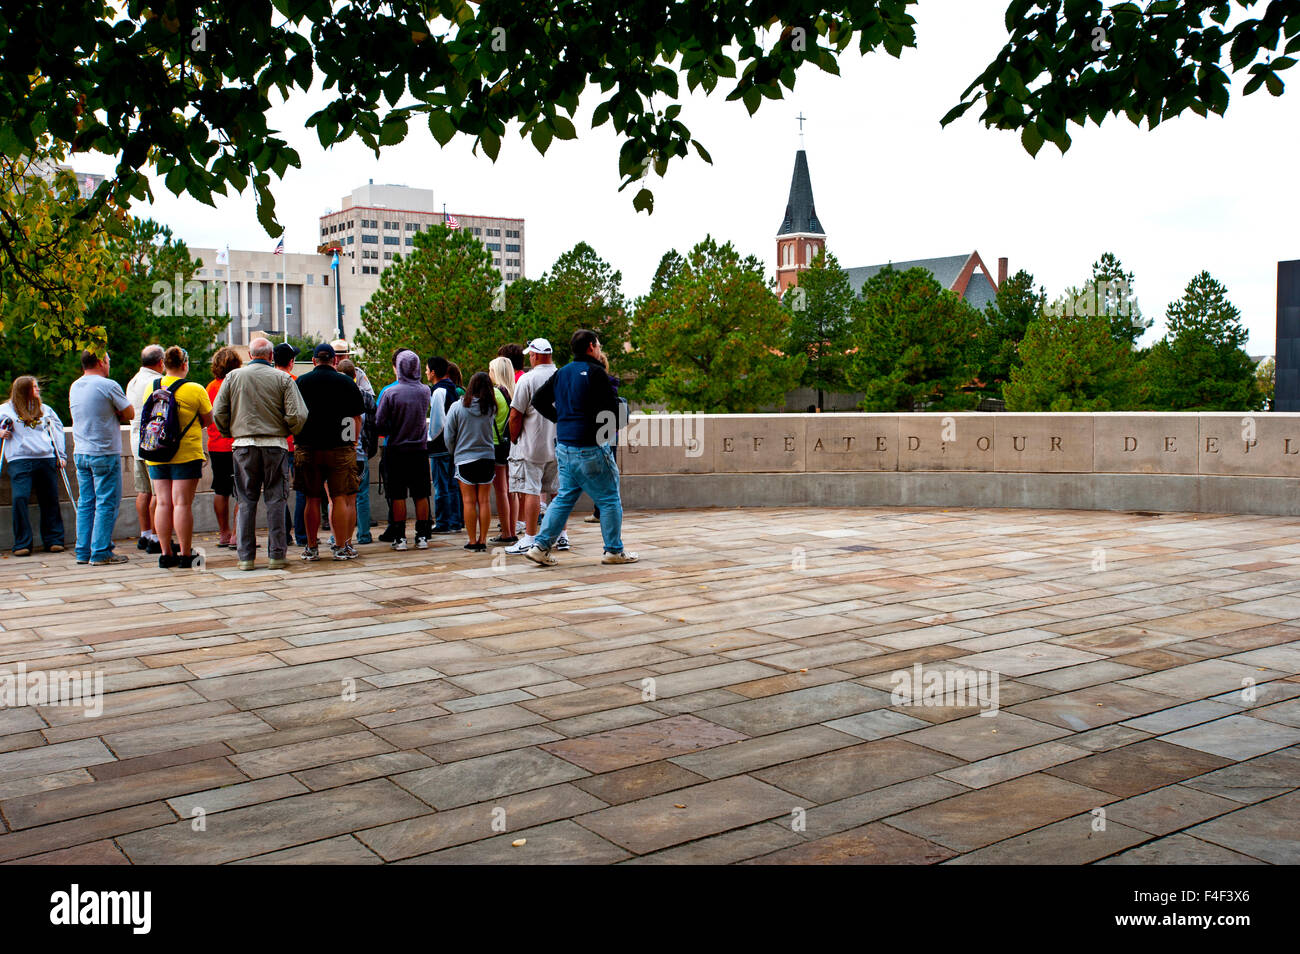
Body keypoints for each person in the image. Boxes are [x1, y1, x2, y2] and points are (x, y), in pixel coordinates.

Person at [526, 329, 638, 567]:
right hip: (591, 446)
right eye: (598, 345)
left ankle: (540, 546)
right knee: (609, 498)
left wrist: (561, 419)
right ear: (590, 347)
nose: (599, 350)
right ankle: (614, 551)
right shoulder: (597, 373)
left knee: (564, 497)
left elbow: (538, 400)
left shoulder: (562, 372)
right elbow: (612, 413)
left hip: (565, 446)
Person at [213, 336, 307, 571]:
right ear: (271, 356)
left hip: (243, 445)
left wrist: (230, 432)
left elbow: (218, 412)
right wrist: (286, 429)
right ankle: (276, 555)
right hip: (275, 445)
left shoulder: (233, 377)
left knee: (245, 501)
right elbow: (299, 415)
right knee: (276, 499)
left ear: (250, 355)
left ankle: (246, 557)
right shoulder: (283, 378)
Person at [141, 346, 213, 569]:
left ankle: (165, 554)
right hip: (185, 453)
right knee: (181, 504)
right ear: (185, 364)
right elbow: (208, 419)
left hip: (156, 452)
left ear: (163, 364)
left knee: (162, 502)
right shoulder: (195, 389)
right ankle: (184, 554)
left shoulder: (151, 387)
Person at [293, 342, 363, 561]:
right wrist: (352, 441)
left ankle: (311, 547)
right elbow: (356, 417)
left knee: (311, 498)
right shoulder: (346, 382)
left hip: (309, 446)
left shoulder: (301, 382)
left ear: (314, 361)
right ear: (334, 361)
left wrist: (298, 440)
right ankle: (341, 547)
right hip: (340, 446)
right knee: (340, 497)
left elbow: (293, 415)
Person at [68, 350, 133, 566]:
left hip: (81, 452)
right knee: (106, 503)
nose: (109, 364)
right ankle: (101, 551)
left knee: (86, 502)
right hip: (104, 452)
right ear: (100, 362)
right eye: (108, 360)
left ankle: (82, 551)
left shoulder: (75, 386)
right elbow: (130, 413)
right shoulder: (108, 385)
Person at [504, 339, 567, 555]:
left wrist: (514, 439)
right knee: (558, 492)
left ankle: (530, 537)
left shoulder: (528, 379)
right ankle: (562, 535)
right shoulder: (564, 376)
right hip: (560, 443)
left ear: (535, 356)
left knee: (531, 490)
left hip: (532, 445)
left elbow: (515, 414)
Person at [0, 376, 66, 557]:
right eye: (34, 387)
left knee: (50, 498)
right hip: (19, 459)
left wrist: (61, 454)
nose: (38, 390)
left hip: (45, 457)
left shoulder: (45, 409)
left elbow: (57, 430)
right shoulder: (5, 410)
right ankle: (22, 542)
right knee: (20, 498)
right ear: (23, 390)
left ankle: (54, 540)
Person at [376, 349, 432, 550]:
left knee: (397, 494)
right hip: (419, 448)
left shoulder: (391, 392)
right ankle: (422, 534)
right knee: (421, 493)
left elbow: (380, 424)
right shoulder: (425, 391)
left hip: (396, 449)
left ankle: (399, 536)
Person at [443, 372, 499, 552]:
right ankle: (483, 539)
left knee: (468, 501)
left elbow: (448, 435)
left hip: (465, 458)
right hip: (487, 458)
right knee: (484, 501)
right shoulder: (491, 408)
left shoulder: (457, 407)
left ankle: (472, 540)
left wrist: (454, 452)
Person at [125, 345, 164, 553]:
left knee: (143, 492)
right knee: (158, 493)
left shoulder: (133, 380)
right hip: (152, 443)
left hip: (135, 441)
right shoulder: (155, 382)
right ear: (160, 362)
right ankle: (157, 537)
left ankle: (145, 534)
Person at [274, 342, 309, 547]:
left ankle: (284, 533)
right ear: (291, 362)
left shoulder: (268, 381)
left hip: (277, 443)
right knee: (302, 490)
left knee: (278, 492)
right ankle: (302, 535)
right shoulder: (296, 382)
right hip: (297, 443)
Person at [206, 346, 242, 548]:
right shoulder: (238, 384)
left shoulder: (210, 387)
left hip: (216, 444)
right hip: (237, 443)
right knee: (241, 491)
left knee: (220, 489)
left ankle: (224, 533)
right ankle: (238, 534)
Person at [337, 358, 375, 546]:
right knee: (361, 496)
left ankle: (338, 536)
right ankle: (364, 534)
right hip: (360, 451)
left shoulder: (334, 395)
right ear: (355, 376)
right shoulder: (366, 396)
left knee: (338, 497)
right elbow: (372, 424)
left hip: (340, 452)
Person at [425, 355, 463, 535]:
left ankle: (443, 522)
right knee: (453, 484)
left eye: (426, 369)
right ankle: (456, 520)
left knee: (441, 485)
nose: (425, 373)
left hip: (440, 446)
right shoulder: (452, 388)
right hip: (454, 444)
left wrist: (430, 438)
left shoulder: (438, 391)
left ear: (433, 372)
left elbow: (438, 420)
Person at [487, 356, 517, 545]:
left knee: (501, 491)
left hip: (497, 445)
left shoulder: (494, 394)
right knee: (511, 491)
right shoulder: (513, 392)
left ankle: (506, 532)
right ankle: (513, 529)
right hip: (512, 446)